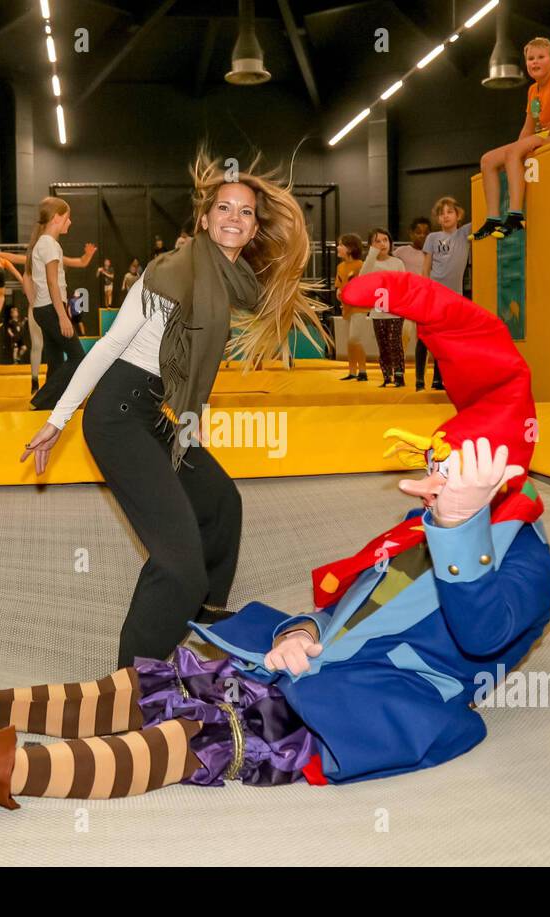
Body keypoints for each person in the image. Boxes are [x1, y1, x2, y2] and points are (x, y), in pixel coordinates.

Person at [0, 272, 550, 808]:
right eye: (436, 465)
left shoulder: (530, 562)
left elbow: (481, 634)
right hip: (308, 670)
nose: (435, 481)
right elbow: (342, 616)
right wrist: (300, 633)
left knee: (182, 739)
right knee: (144, 686)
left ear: (500, 478)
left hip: (362, 710)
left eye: (453, 472)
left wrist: (458, 525)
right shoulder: (417, 531)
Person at [20, 147, 329, 669]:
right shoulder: (169, 274)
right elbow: (108, 347)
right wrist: (58, 419)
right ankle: (130, 682)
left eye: (245, 212)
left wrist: (192, 441)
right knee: (178, 564)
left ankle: (206, 622)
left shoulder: (230, 283)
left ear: (253, 229)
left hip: (151, 416)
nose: (234, 218)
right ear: (205, 220)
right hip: (116, 416)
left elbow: (194, 381)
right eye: (224, 209)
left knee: (221, 503)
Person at [473, 37, 550, 241]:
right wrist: (515, 149)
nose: (535, 62)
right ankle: (493, 218)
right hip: (542, 134)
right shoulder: (533, 90)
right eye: (531, 58)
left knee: (514, 152)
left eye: (541, 57)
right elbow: (529, 126)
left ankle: (515, 215)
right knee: (487, 160)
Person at [16, 197, 97, 410]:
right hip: (52, 309)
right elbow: (52, 282)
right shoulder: (49, 245)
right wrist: (63, 316)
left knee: (55, 360)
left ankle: (49, 403)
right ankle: (40, 400)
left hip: (45, 309)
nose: (70, 223)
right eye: (68, 218)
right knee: (78, 357)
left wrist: (38, 306)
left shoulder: (44, 244)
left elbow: (41, 281)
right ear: (57, 218)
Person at [421, 198, 472, 390]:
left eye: (450, 212)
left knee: (452, 338)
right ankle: (436, 377)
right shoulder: (433, 238)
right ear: (438, 218)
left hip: (455, 295)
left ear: (458, 215)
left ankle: (450, 376)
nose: (446, 216)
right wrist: (426, 290)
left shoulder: (464, 233)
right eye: (442, 213)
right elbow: (426, 267)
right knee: (438, 337)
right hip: (436, 292)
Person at [359, 228, 406, 387]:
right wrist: (372, 254)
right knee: (383, 345)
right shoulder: (371, 263)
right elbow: (362, 278)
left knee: (395, 343)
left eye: (385, 240)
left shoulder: (397, 263)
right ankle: (387, 375)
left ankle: (399, 375)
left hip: (395, 311)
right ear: (371, 245)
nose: (382, 244)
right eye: (377, 241)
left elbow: (404, 286)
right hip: (377, 312)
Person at [393, 217, 432, 386]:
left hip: (426, 301)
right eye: (418, 232)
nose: (422, 236)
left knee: (424, 341)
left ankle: (420, 376)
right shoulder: (401, 252)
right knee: (403, 335)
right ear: (411, 233)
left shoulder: (431, 253)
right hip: (407, 301)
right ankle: (398, 372)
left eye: (426, 233)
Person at [334, 233, 367, 381]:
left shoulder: (361, 265)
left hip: (359, 308)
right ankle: (352, 371)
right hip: (346, 308)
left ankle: (363, 370)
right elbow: (338, 286)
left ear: (350, 248)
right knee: (349, 340)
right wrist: (339, 292)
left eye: (341, 244)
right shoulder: (340, 267)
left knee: (355, 338)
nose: (338, 247)